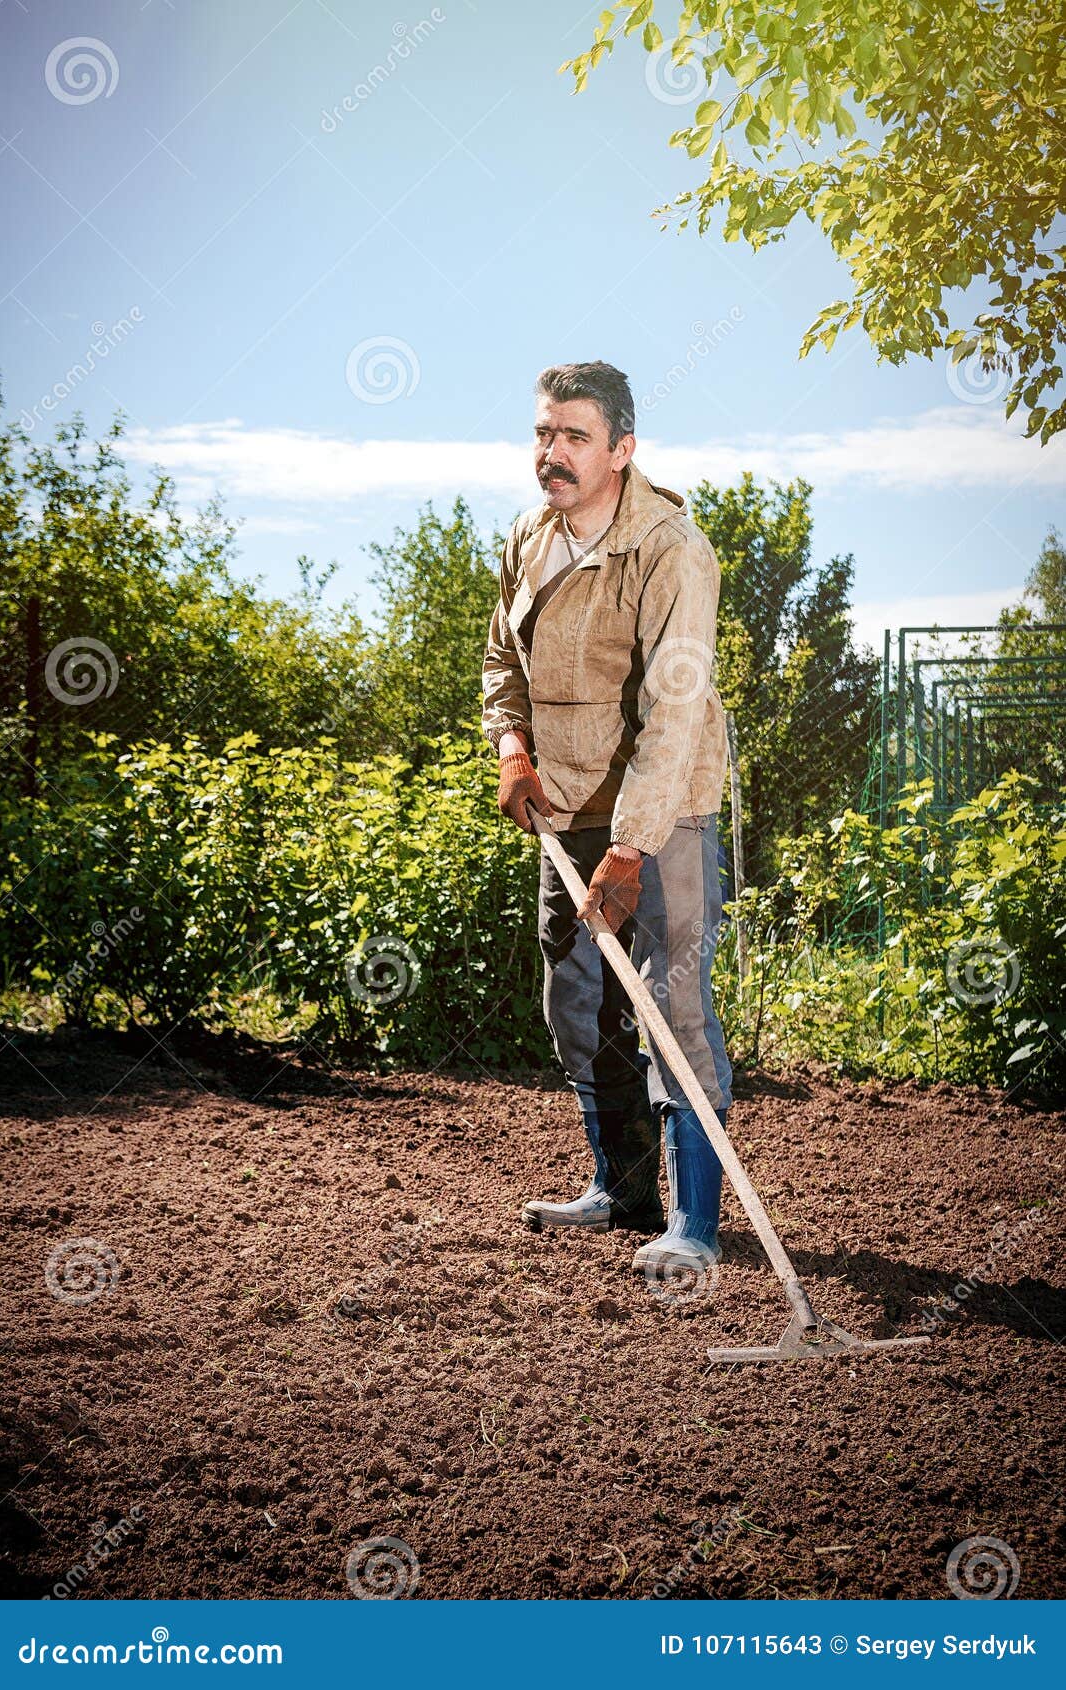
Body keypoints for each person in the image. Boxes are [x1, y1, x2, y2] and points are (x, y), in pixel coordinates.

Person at [481, 361, 732, 1280]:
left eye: (574, 436)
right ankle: (623, 1191)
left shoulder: (672, 550)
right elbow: (498, 661)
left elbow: (673, 714)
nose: (553, 453)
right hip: (563, 806)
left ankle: (694, 1224)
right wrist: (510, 747)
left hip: (661, 813)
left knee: (672, 1006)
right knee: (578, 1002)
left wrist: (630, 847)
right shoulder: (528, 535)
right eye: (543, 433)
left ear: (622, 450)